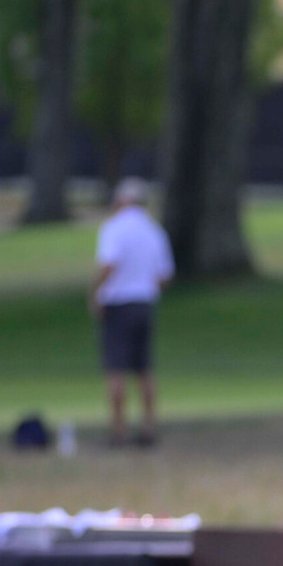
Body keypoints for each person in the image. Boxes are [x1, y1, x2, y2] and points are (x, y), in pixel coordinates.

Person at [91, 178, 174, 447]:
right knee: (144, 368)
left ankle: (119, 430)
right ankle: (149, 426)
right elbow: (165, 275)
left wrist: (96, 291)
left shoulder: (114, 228)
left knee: (116, 369)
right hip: (144, 302)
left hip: (118, 303)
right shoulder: (154, 230)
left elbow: (109, 264)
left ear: (122, 201)